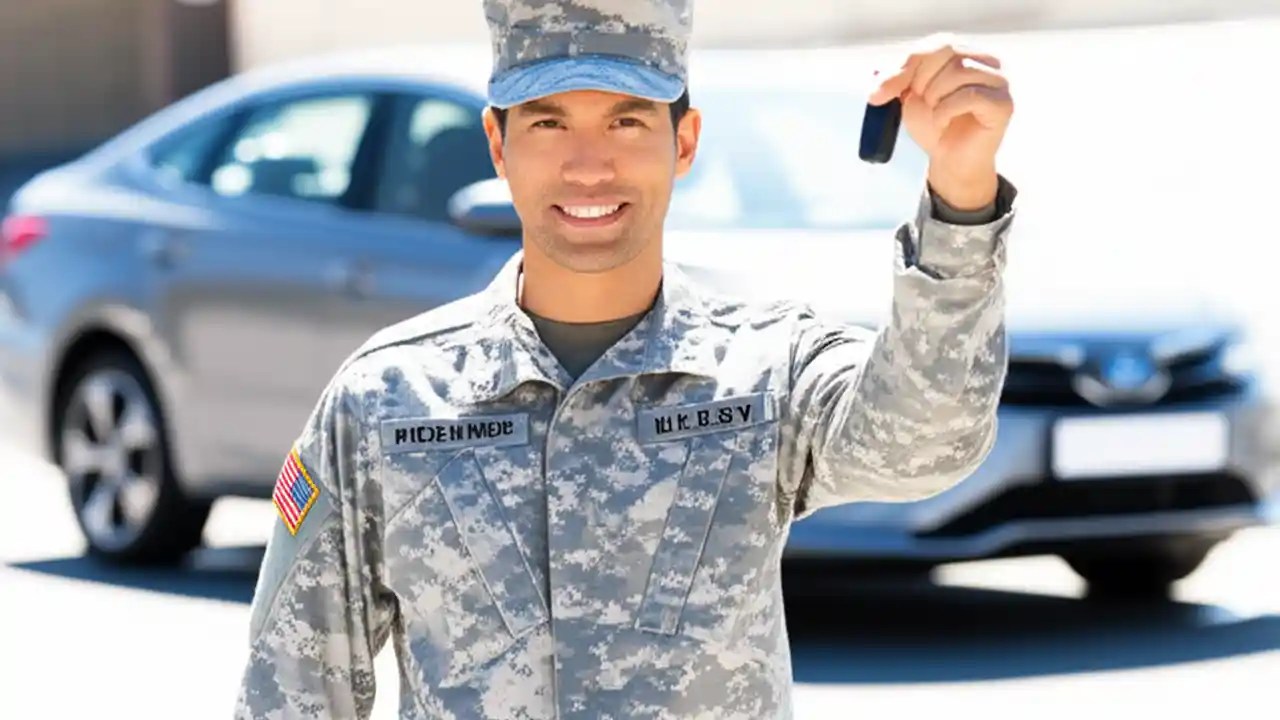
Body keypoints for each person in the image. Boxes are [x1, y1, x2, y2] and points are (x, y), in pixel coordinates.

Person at [234, 0, 1017, 717]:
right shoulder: (387, 402)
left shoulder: (764, 370)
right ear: (497, 146)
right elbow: (291, 693)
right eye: (547, 124)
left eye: (626, 122)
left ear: (684, 142)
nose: (587, 167)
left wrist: (959, 195)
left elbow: (926, 441)